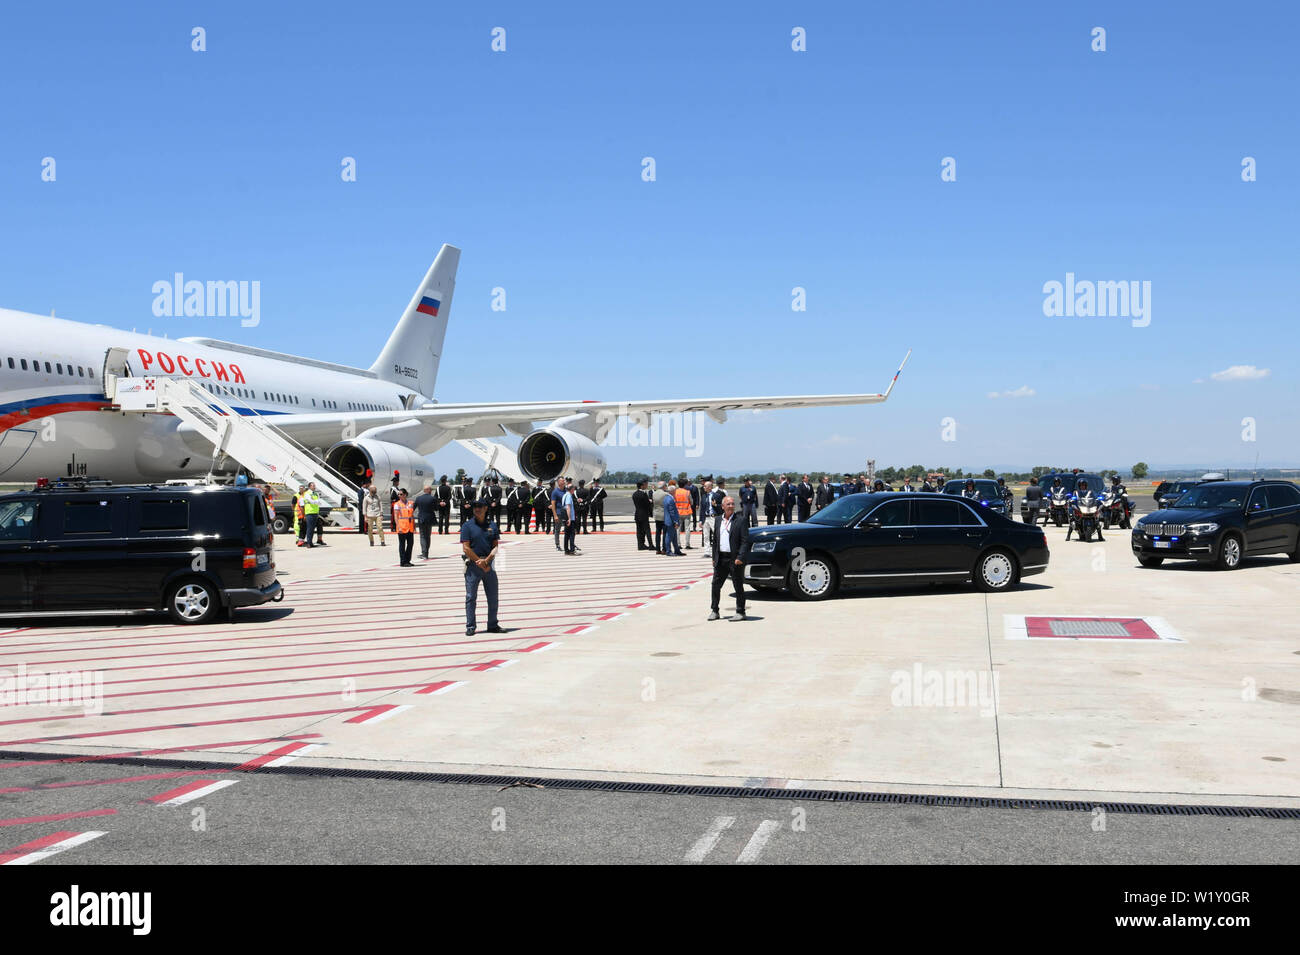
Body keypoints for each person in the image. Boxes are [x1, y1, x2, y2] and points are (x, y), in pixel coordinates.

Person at [460, 499, 504, 636]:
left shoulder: (492, 525)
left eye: (479, 506)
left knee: (493, 597)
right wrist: (479, 561)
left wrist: (487, 560)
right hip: (473, 565)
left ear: (486, 508)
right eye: (474, 507)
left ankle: (492, 624)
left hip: (489, 564)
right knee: (471, 597)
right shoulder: (467, 526)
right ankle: (471, 626)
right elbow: (466, 548)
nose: (476, 509)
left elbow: (496, 545)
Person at [708, 496, 751, 621]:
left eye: (732, 504)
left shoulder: (741, 520)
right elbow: (715, 540)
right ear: (723, 506)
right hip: (721, 558)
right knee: (715, 585)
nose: (731, 506)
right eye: (728, 504)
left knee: (738, 586)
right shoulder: (717, 520)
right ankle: (714, 610)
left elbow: (745, 541)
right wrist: (714, 557)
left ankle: (740, 611)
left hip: (735, 559)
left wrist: (740, 557)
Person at [414, 483, 436, 560]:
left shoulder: (418, 498)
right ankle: (426, 553)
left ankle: (424, 553)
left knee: (422, 536)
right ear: (428, 490)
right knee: (428, 536)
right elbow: (436, 508)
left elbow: (413, 508)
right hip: (429, 519)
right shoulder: (433, 498)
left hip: (421, 519)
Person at [393, 488, 416, 565]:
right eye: (398, 494)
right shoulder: (397, 504)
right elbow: (396, 516)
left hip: (410, 527)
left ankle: (408, 560)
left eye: (401, 494)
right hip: (402, 527)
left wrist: (414, 526)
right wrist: (398, 526)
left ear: (405, 495)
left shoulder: (410, 503)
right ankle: (402, 561)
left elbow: (412, 515)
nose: (399, 496)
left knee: (410, 544)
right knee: (402, 545)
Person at [632, 479, 654, 550]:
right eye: (646, 484)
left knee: (639, 531)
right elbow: (647, 505)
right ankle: (651, 545)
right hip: (644, 514)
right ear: (642, 485)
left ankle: (640, 545)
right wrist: (650, 502)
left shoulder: (634, 494)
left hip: (637, 514)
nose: (647, 485)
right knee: (647, 530)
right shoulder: (644, 494)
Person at [662, 482, 683, 556]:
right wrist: (676, 522)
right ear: (672, 491)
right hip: (671, 521)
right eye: (675, 491)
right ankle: (668, 551)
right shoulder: (670, 499)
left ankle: (677, 550)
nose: (676, 492)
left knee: (674, 537)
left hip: (669, 520)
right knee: (669, 536)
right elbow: (672, 512)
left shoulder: (666, 498)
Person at [561, 479, 580, 555]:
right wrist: (569, 518)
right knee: (572, 534)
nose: (574, 491)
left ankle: (566, 550)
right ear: (571, 489)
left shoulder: (564, 495)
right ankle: (572, 550)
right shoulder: (569, 496)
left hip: (565, 517)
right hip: (569, 518)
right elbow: (568, 507)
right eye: (573, 489)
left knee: (567, 534)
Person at [673, 480, 694, 549]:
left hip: (678, 512)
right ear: (684, 485)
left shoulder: (675, 492)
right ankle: (687, 544)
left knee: (677, 529)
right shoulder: (687, 492)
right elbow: (691, 502)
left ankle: (678, 544)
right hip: (687, 512)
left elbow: (673, 502)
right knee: (687, 528)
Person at [301, 482, 323, 547]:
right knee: (309, 528)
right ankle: (308, 543)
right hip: (309, 513)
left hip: (315, 513)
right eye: (313, 486)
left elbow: (319, 502)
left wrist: (315, 502)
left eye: (314, 485)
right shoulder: (307, 493)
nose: (314, 487)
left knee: (312, 529)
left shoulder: (315, 494)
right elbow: (312, 501)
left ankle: (310, 543)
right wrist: (316, 502)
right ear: (309, 487)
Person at [698, 480, 716, 552]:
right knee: (706, 535)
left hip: (713, 517)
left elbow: (721, 507)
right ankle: (707, 551)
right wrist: (700, 520)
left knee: (716, 534)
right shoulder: (703, 496)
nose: (704, 487)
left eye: (705, 486)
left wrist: (715, 505)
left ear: (709, 487)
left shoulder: (716, 495)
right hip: (705, 517)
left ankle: (717, 550)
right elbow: (702, 509)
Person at [550, 479, 567, 551]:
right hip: (559, 513)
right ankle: (557, 545)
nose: (564, 482)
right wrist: (555, 515)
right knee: (557, 529)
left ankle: (568, 544)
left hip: (566, 512)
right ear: (558, 483)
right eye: (562, 481)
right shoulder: (555, 492)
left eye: (564, 481)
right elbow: (553, 504)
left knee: (568, 529)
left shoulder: (566, 491)